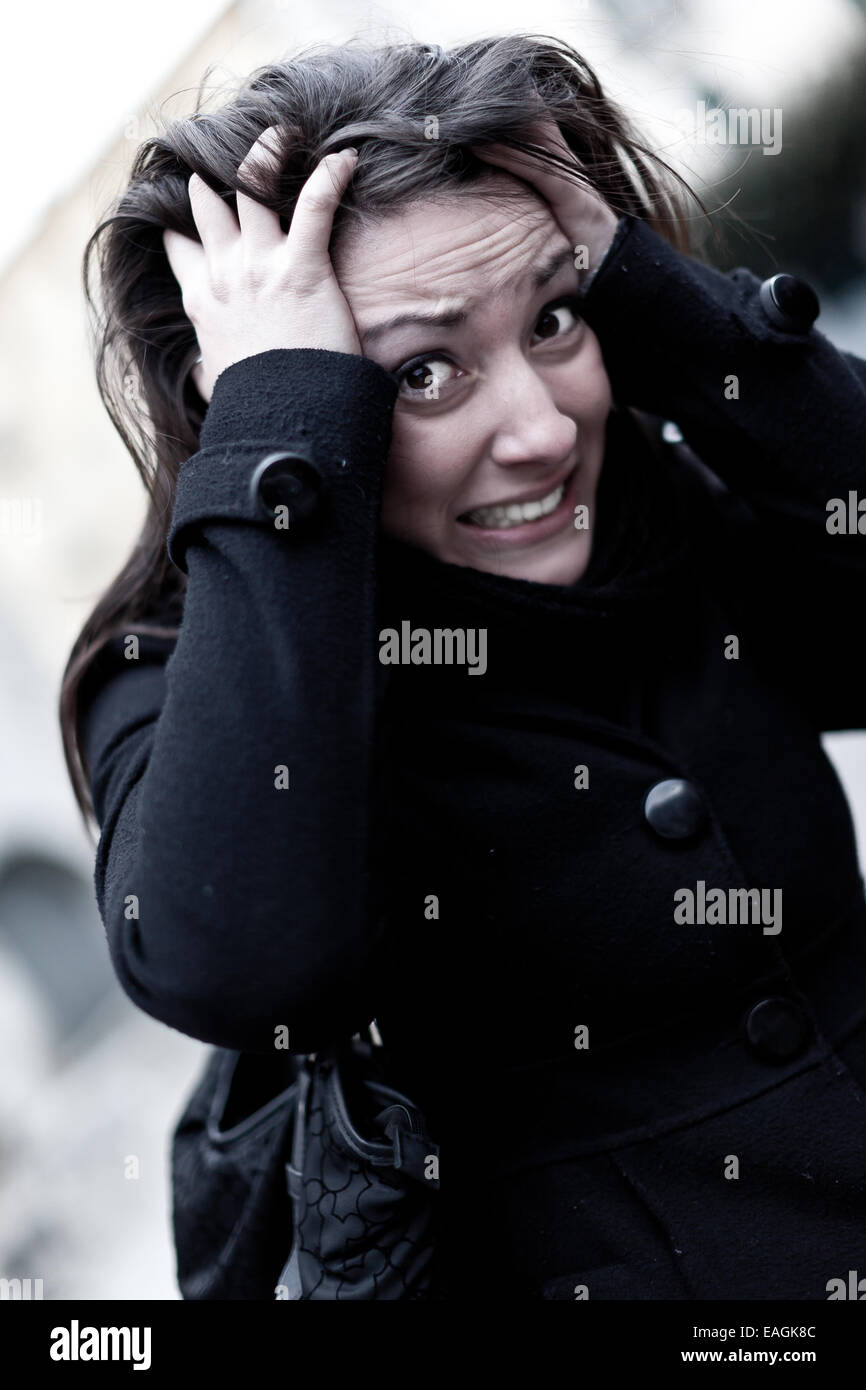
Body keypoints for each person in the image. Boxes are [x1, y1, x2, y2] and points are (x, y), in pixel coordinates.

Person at [60, 33, 866, 1300]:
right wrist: (283, 429)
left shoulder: (677, 515)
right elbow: (241, 959)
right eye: (419, 374)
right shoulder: (175, 674)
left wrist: (645, 293)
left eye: (553, 319)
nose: (542, 431)